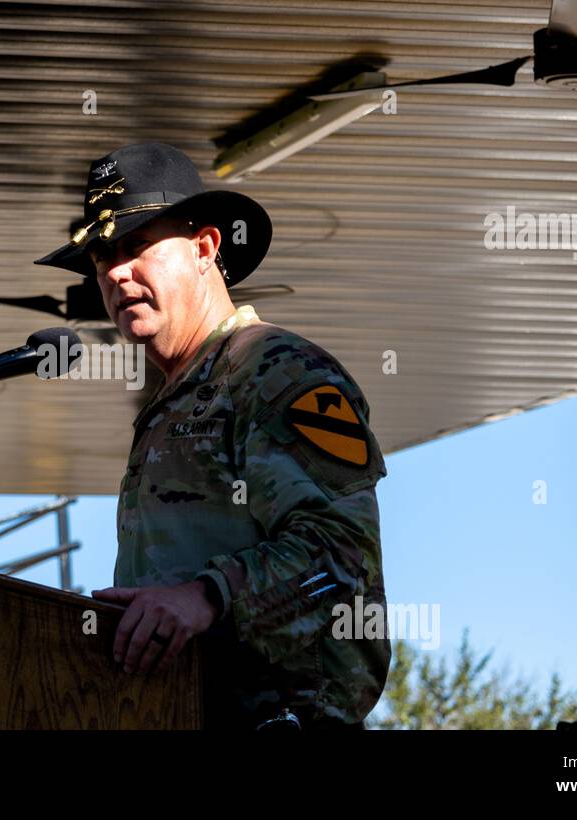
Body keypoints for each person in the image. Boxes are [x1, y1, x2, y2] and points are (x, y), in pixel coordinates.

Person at [35, 142, 390, 730]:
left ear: (205, 248)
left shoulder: (276, 370)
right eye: (102, 258)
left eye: (137, 246)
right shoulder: (171, 402)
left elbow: (343, 557)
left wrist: (207, 597)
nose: (116, 272)